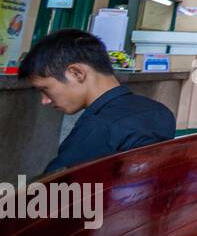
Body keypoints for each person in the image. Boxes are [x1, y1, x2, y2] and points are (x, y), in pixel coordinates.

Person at [19, 29, 176, 175]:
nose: (45, 100)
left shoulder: (99, 127)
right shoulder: (159, 111)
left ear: (76, 73)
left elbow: (49, 195)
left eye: (45, 89)